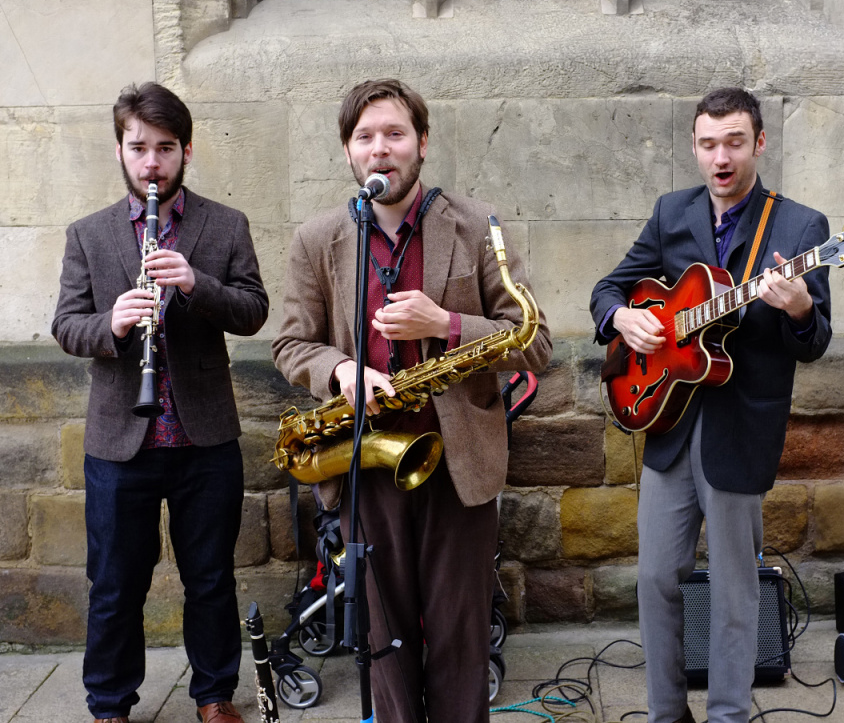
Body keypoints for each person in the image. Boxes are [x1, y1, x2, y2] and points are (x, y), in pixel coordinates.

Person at [272, 78, 552, 722]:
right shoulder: (318, 239)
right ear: (348, 152)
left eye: (395, 134)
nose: (381, 150)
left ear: (422, 142)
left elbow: (533, 345)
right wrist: (340, 368)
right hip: (365, 463)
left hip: (459, 464)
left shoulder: (478, 224)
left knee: (460, 638)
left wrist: (445, 325)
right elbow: (290, 346)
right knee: (382, 643)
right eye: (365, 137)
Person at [590, 88, 832, 723]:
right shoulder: (673, 212)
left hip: (739, 429)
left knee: (732, 590)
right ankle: (667, 714)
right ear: (695, 147)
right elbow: (609, 286)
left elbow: (815, 341)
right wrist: (624, 318)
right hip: (667, 417)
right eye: (707, 144)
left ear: (758, 143)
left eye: (733, 142)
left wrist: (800, 309)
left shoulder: (800, 228)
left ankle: (728, 715)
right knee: (655, 580)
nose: (720, 157)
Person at [52, 82, 269, 723]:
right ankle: (110, 705)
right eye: (138, 147)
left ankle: (213, 696)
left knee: (210, 577)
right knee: (115, 585)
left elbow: (254, 310)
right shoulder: (88, 235)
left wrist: (198, 284)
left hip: (204, 438)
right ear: (120, 149)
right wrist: (112, 323)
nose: (152, 163)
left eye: (165, 148)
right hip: (121, 441)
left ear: (186, 151)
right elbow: (67, 325)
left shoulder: (225, 225)